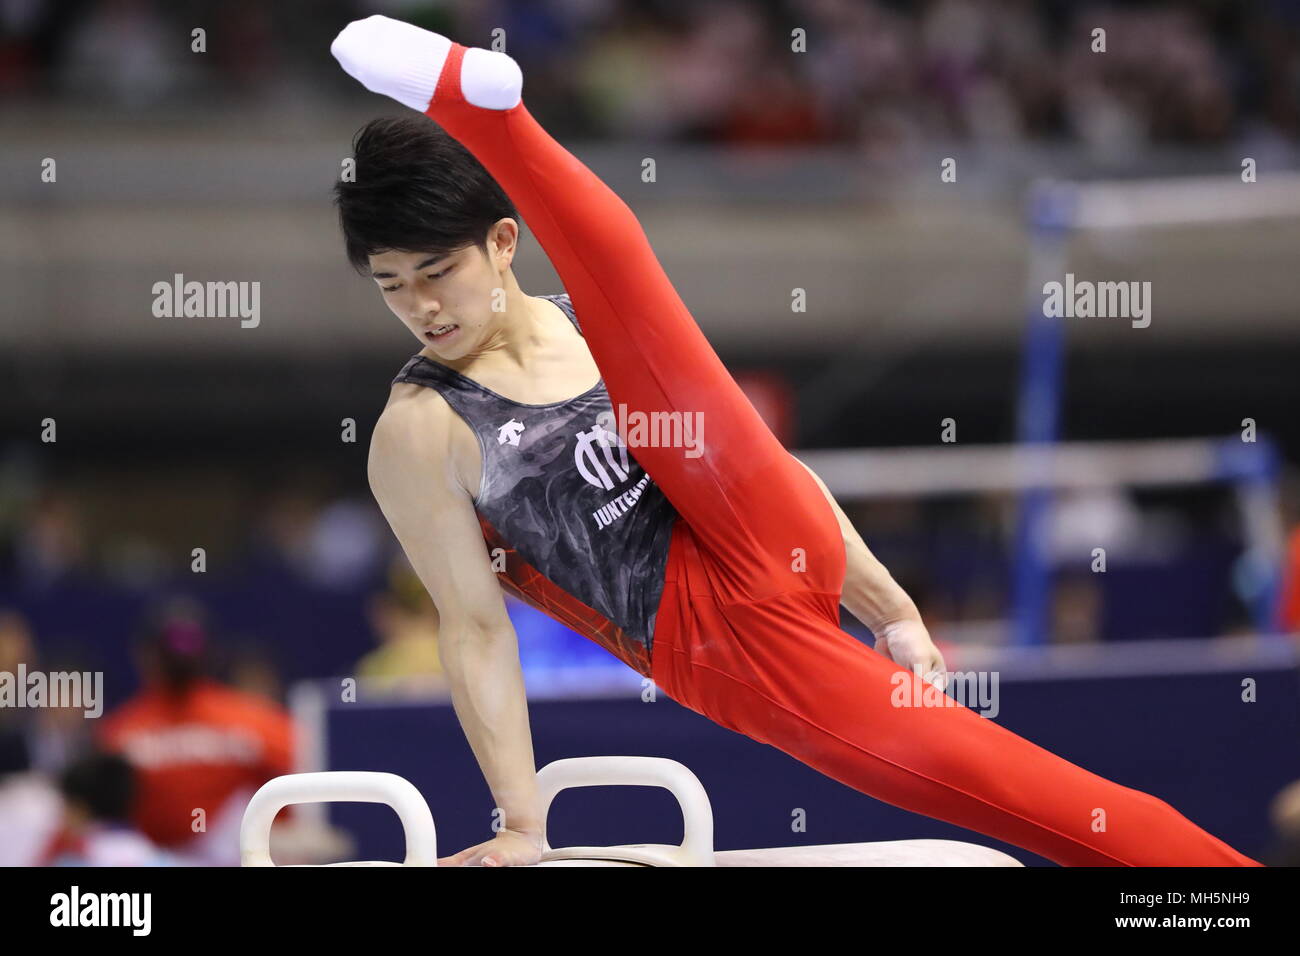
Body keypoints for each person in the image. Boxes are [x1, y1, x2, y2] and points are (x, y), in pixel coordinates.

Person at [331, 15, 1260, 867]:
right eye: (390, 285)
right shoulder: (421, 430)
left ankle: (490, 110)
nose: (420, 306)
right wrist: (521, 821)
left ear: (503, 242)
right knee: (1058, 804)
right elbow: (475, 628)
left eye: (437, 271)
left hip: (770, 531)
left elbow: (771, 474)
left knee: (668, 366)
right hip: (728, 643)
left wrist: (890, 609)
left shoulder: (591, 322)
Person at [98, 599, 294, 864]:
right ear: (143, 655)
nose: (179, 655)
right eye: (172, 646)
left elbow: (306, 774)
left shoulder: (254, 721)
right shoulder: (120, 731)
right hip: (153, 858)